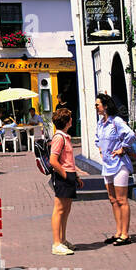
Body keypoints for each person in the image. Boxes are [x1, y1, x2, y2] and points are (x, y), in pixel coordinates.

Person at [95, 93, 136, 245]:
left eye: (97, 105)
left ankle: (125, 234)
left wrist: (123, 148)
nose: (96, 108)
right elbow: (97, 139)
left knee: (121, 199)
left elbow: (130, 135)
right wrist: (101, 150)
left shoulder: (116, 121)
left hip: (119, 164)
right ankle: (118, 231)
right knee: (113, 200)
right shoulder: (101, 123)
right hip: (107, 165)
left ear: (105, 106)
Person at [48, 107, 78, 255]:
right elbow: (53, 160)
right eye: (70, 118)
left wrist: (75, 177)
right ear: (66, 121)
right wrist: (66, 176)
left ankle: (63, 240)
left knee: (66, 210)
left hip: (69, 175)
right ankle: (56, 243)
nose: (72, 120)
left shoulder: (65, 136)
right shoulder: (59, 138)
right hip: (62, 176)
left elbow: (69, 159)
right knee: (59, 209)